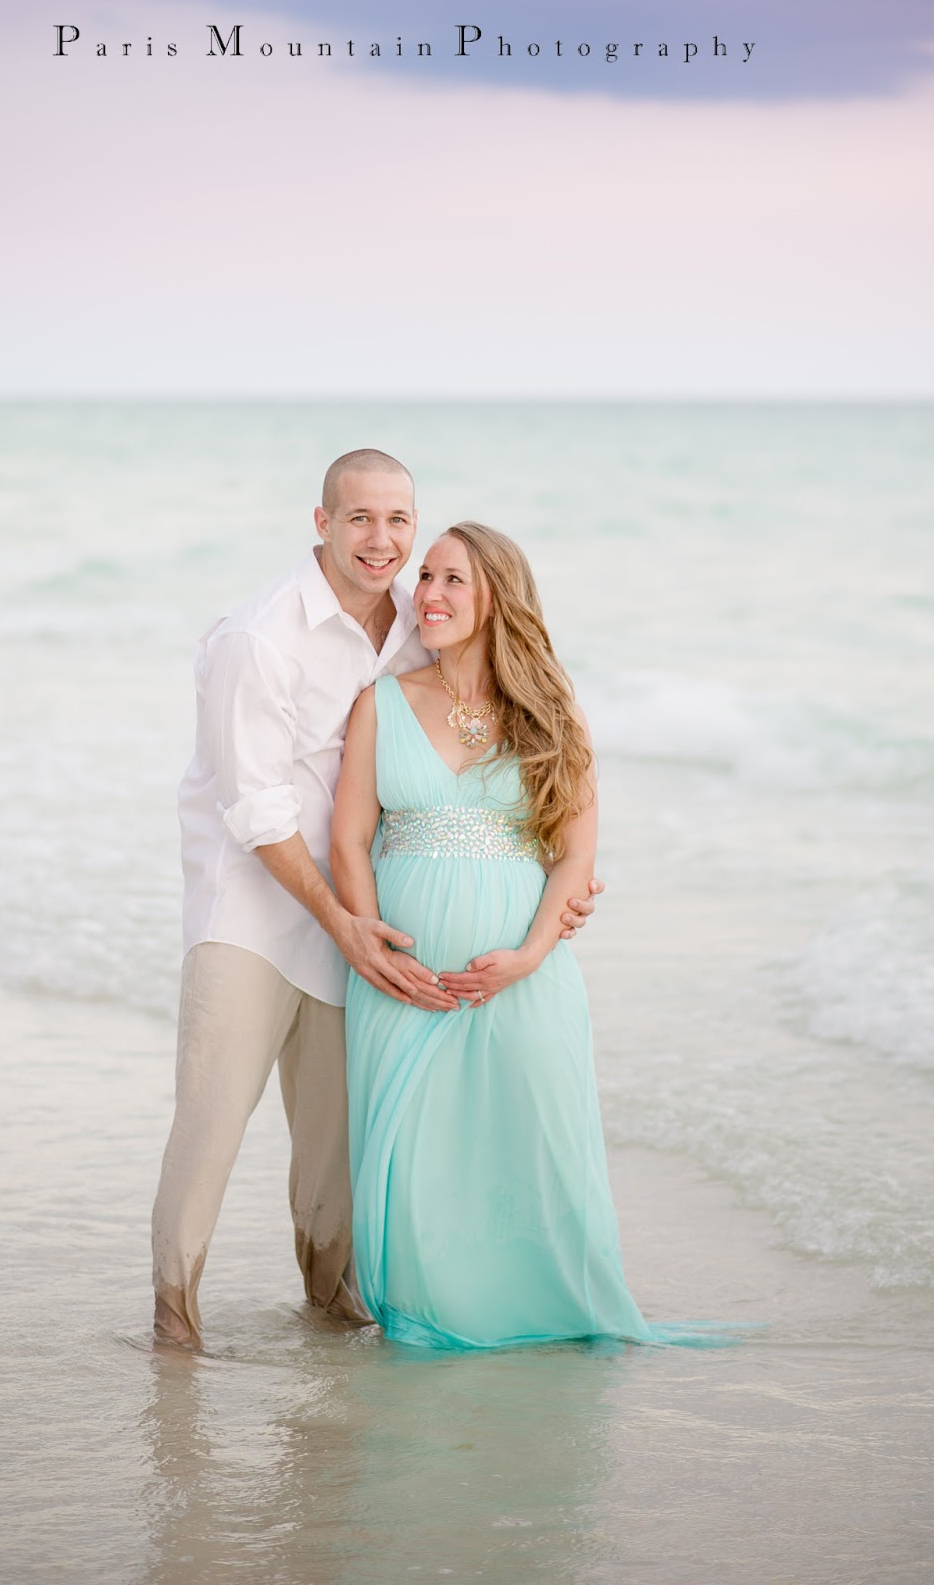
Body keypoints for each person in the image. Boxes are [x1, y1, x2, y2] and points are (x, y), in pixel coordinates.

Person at [152, 454, 602, 1348]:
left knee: (333, 1151)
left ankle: (335, 1314)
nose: (384, 541)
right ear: (320, 521)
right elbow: (257, 810)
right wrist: (345, 923)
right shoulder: (259, 640)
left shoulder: (412, 616)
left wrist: (558, 889)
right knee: (211, 1125)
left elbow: (506, 757)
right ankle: (174, 1325)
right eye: (361, 519)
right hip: (254, 915)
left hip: (355, 925)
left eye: (399, 520)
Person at [331, 522, 652, 1349]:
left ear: (497, 598)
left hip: (523, 971)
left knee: (531, 1144)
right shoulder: (381, 702)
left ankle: (543, 1316)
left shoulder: (549, 710)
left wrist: (531, 954)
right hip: (403, 980)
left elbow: (576, 850)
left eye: (453, 580)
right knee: (416, 1157)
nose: (429, 594)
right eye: (425, 577)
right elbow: (348, 839)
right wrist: (372, 943)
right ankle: (428, 1320)